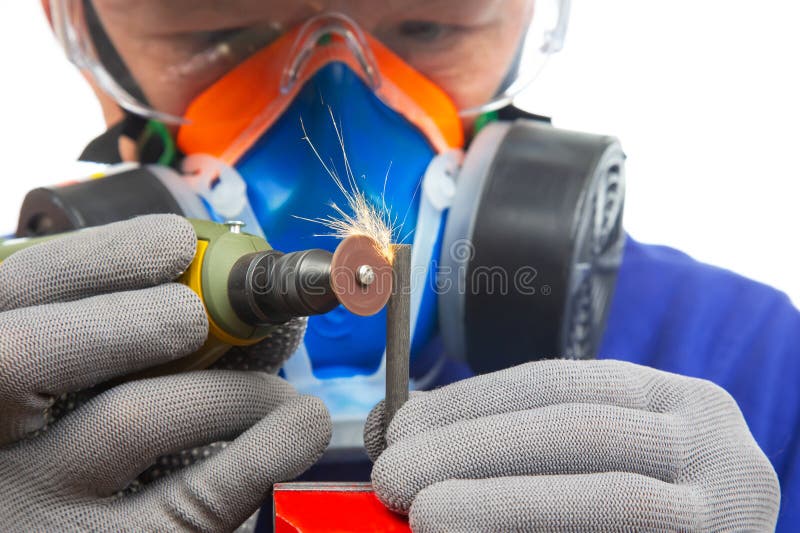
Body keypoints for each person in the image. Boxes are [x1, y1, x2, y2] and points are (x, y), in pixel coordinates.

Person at [0, 0, 795, 530]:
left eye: (427, 24)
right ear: (81, 33)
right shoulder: (13, 377)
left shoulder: (750, 361)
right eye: (220, 25)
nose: (336, 105)